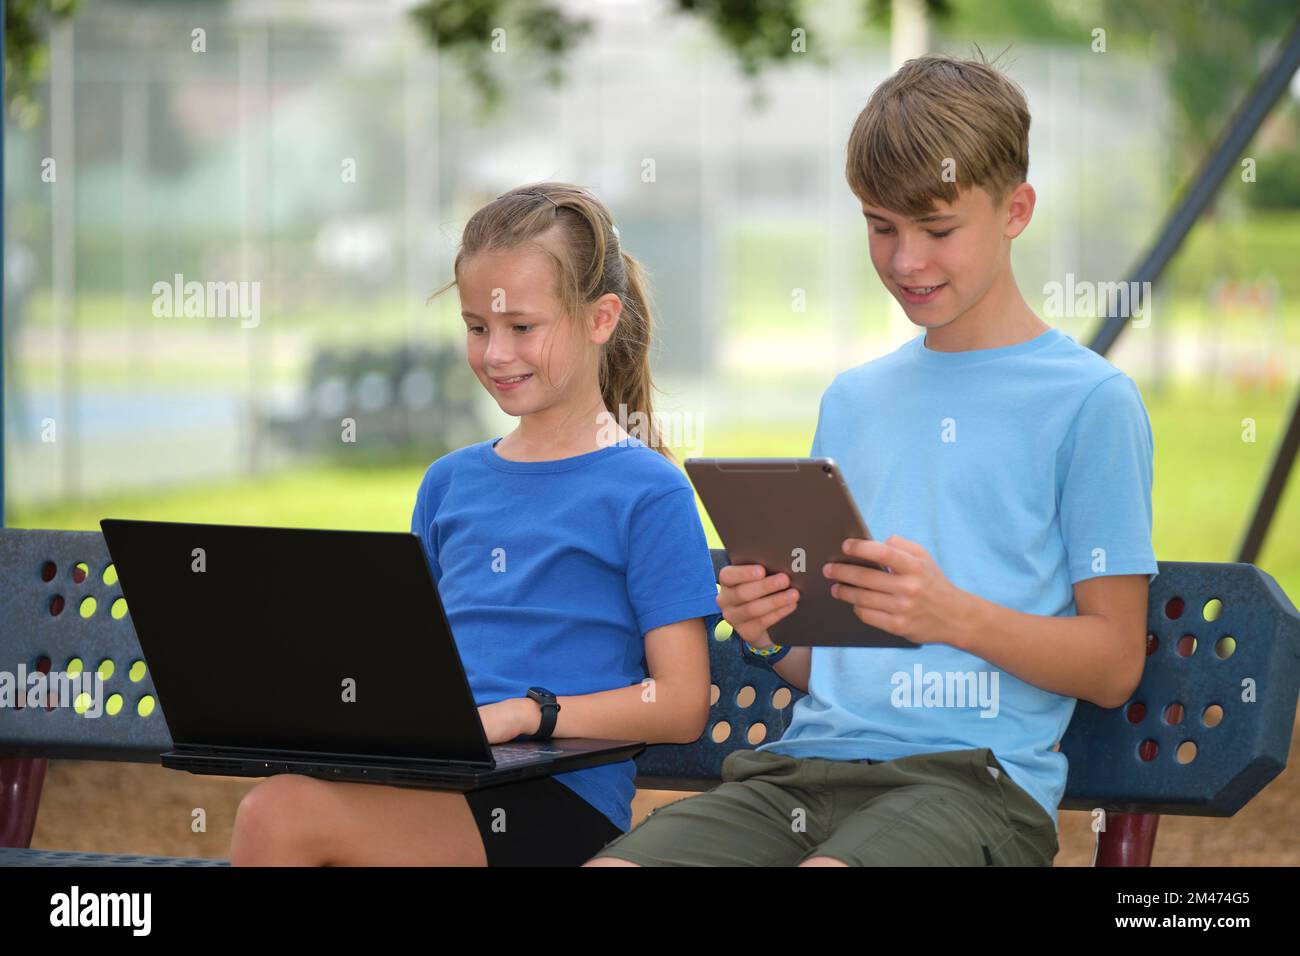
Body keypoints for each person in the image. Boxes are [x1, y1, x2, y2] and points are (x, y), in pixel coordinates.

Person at [587, 52, 1158, 867]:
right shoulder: (854, 401)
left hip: (971, 788)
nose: (904, 261)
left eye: (937, 229)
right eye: (880, 226)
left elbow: (1111, 665)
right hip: (800, 776)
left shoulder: (1090, 403)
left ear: (1016, 210)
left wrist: (952, 614)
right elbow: (835, 666)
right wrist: (770, 627)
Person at [230, 182, 720, 865]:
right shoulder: (448, 482)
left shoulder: (649, 491)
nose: (495, 354)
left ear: (601, 318)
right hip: (433, 775)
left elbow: (679, 701)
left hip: (554, 797)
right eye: (476, 327)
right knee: (284, 798)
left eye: (523, 327)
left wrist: (532, 713)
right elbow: (408, 659)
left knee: (280, 815)